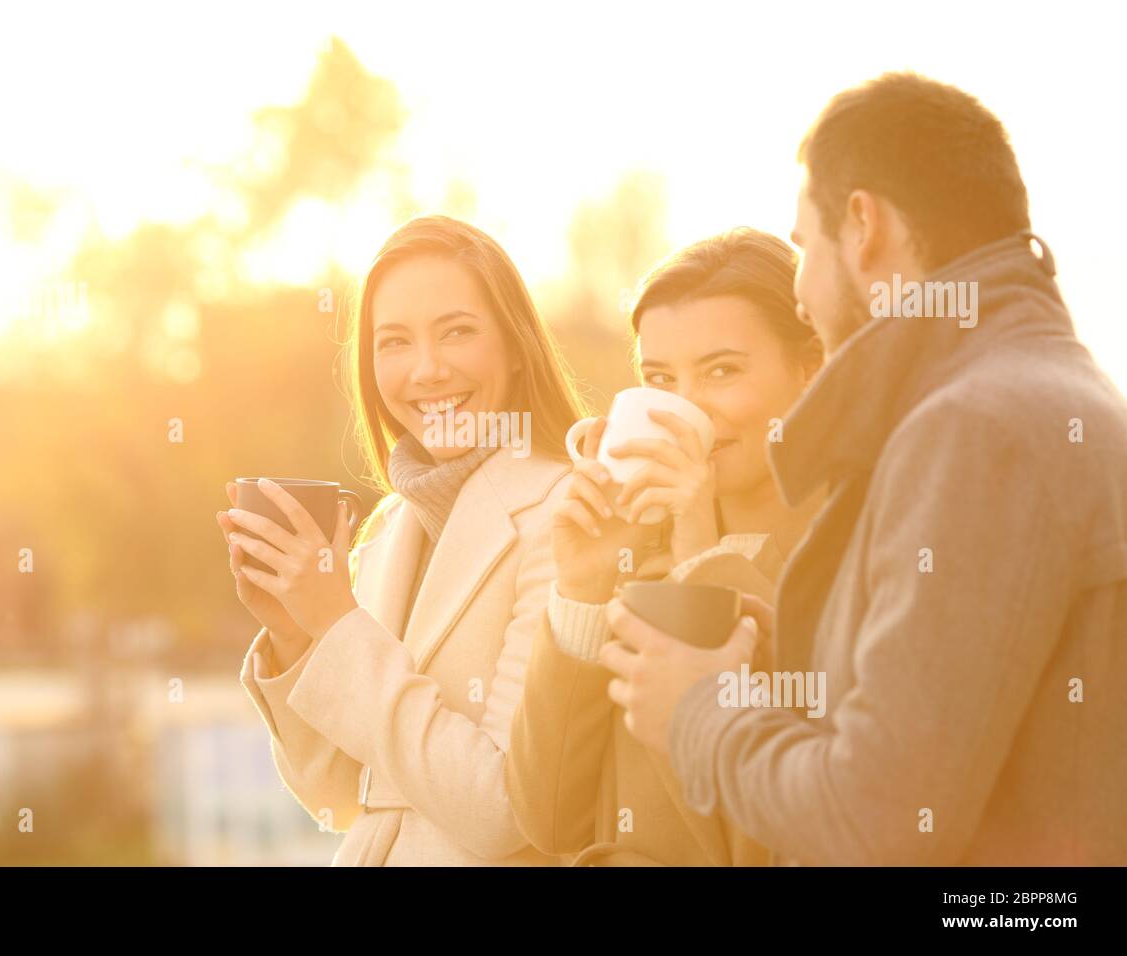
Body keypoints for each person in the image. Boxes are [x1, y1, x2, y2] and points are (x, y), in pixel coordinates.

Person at [602, 72, 1127, 865]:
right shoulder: (1044, 391)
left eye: (804, 247)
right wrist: (794, 655)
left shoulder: (976, 429)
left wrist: (699, 712)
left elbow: (880, 823)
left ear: (863, 228)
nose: (803, 290)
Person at [217, 215, 588, 865]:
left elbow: (504, 812)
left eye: (457, 332)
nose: (426, 370)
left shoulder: (566, 517)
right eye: (394, 342)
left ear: (517, 344)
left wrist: (338, 626)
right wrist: (298, 637)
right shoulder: (390, 529)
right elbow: (338, 797)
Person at [507, 228, 823, 865]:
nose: (686, 410)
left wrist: (702, 558)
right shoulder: (637, 571)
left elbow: (798, 828)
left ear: (810, 368)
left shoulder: (861, 559)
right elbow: (546, 816)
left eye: (722, 371)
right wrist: (583, 591)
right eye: (660, 379)